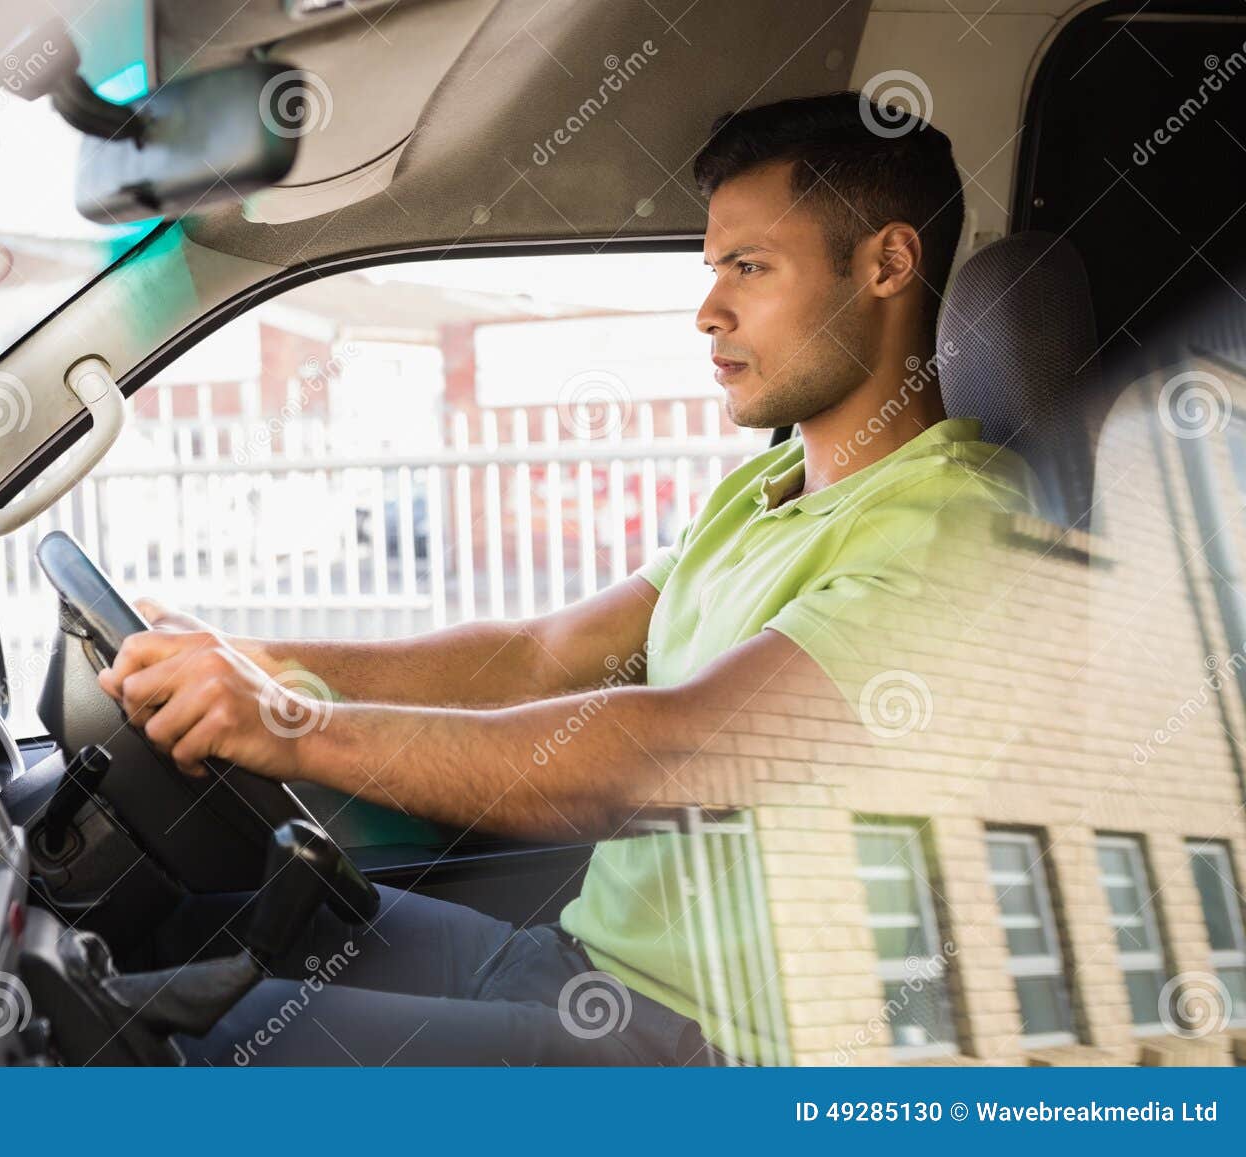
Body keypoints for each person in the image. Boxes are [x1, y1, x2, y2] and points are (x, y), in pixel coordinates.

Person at [97, 90, 1041, 1066]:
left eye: (749, 268)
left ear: (887, 263)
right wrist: (258, 657)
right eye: (714, 269)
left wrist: (289, 723)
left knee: (185, 1050)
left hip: (713, 1053)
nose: (708, 310)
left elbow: (662, 758)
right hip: (583, 970)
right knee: (185, 937)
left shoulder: (955, 526)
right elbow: (541, 657)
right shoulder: (766, 487)